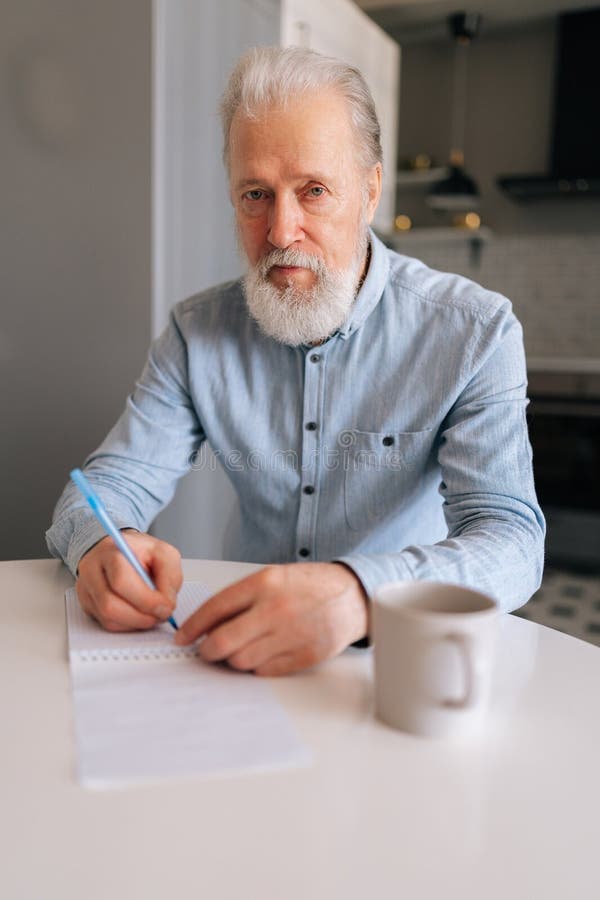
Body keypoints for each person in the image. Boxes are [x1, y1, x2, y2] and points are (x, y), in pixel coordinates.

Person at [47, 46, 545, 676]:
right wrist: (99, 546)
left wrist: (358, 593)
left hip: (394, 660)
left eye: (313, 191)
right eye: (256, 194)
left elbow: (511, 540)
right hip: (235, 660)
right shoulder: (195, 332)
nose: (281, 231)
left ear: (369, 193)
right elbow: (106, 487)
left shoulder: (475, 332)